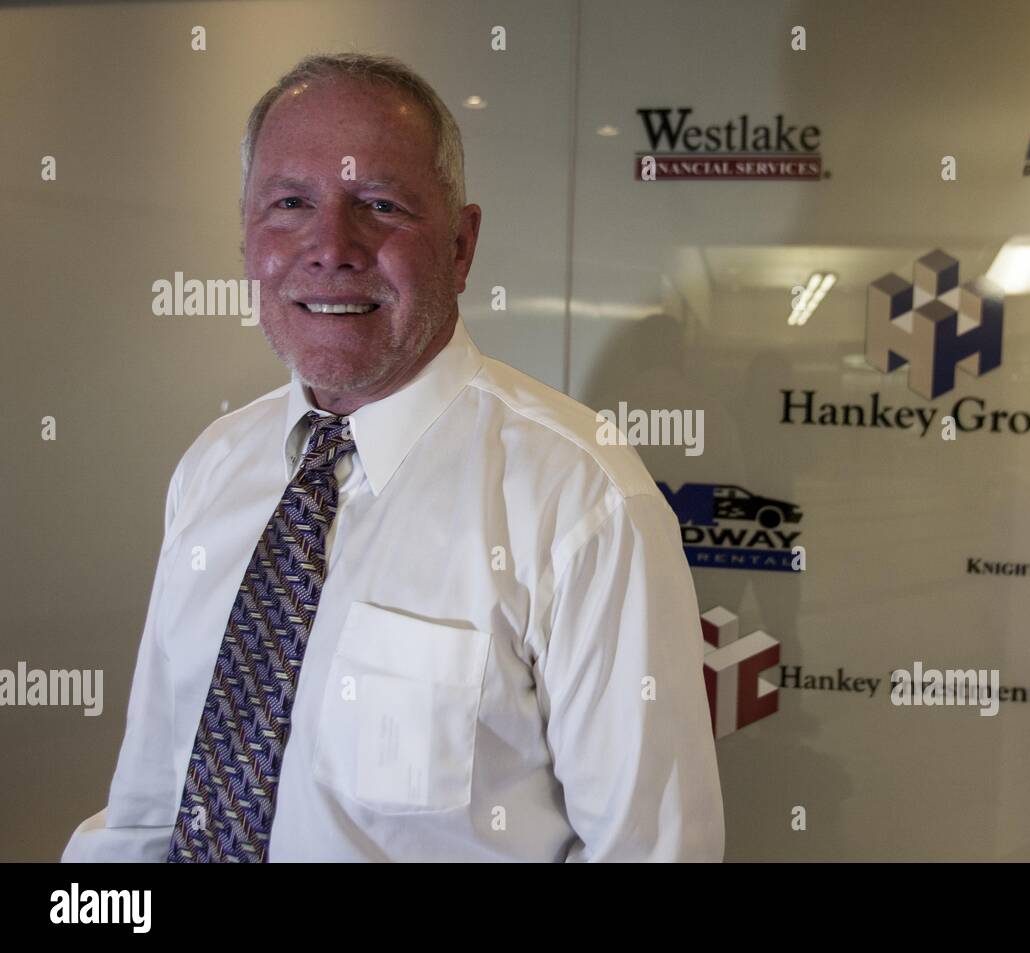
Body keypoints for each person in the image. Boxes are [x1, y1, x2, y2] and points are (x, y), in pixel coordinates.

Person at [60, 52, 724, 862]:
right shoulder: (215, 466)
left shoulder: (580, 497)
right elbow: (149, 809)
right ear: (246, 236)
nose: (330, 246)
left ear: (460, 246)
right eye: (290, 203)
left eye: (379, 204)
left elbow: (650, 852)